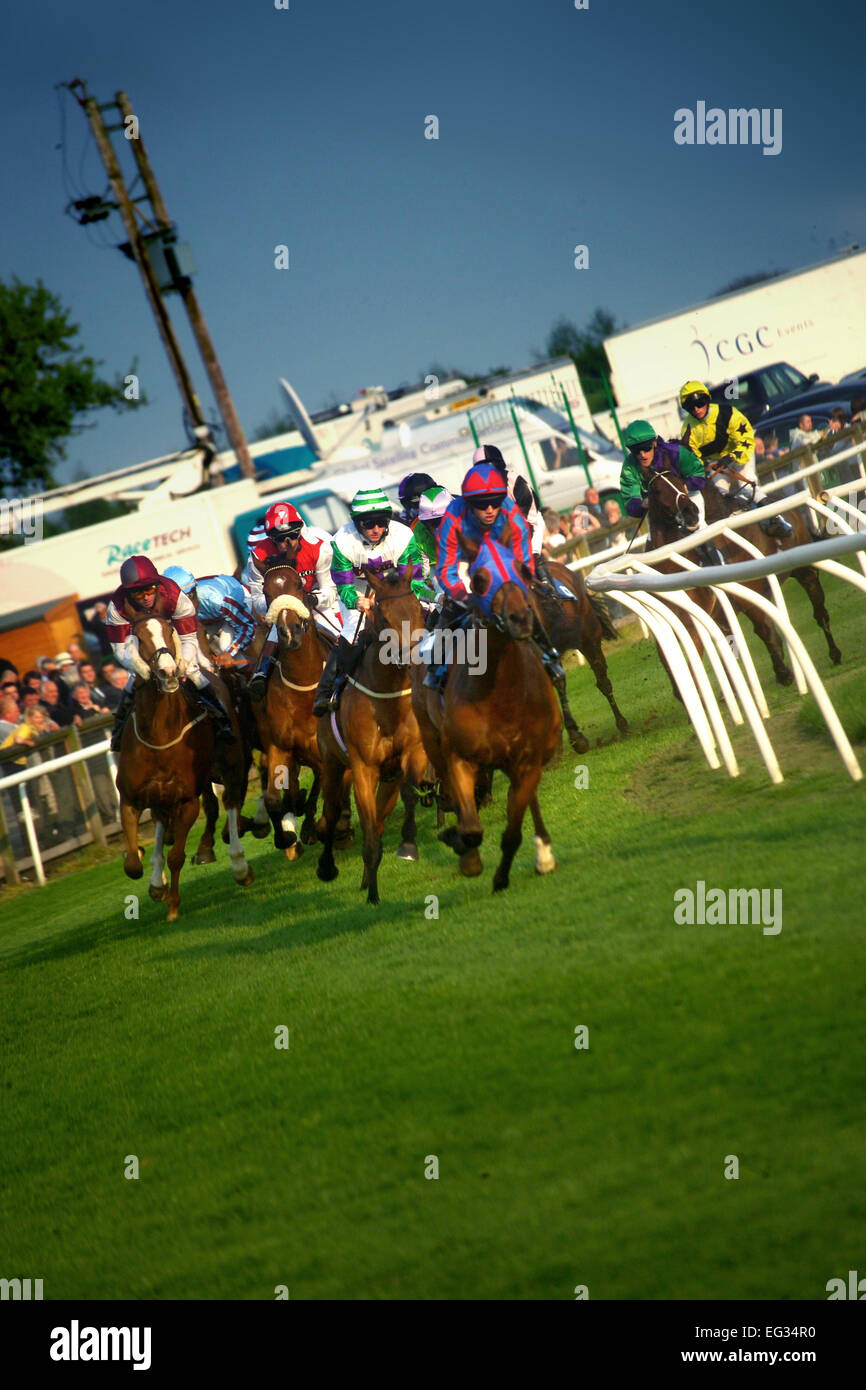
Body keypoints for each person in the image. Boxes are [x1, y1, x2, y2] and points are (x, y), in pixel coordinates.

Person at [424, 461, 563, 690]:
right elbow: (446, 570)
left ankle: (549, 654)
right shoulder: (452, 519)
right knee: (450, 614)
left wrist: (520, 584)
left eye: (493, 503)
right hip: (467, 567)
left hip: (505, 566)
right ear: (469, 503)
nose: (489, 509)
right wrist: (463, 596)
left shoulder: (509, 509)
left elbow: (523, 554)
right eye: (481, 504)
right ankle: (437, 669)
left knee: (523, 605)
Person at [312, 487, 428, 715]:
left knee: (426, 616)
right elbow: (343, 585)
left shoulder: (403, 535)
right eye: (368, 524)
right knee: (351, 633)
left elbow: (414, 579)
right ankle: (329, 690)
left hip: (397, 589)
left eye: (381, 523)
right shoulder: (342, 542)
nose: (376, 530)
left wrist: (390, 596)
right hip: (360, 590)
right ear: (357, 523)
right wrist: (357, 601)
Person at [105, 555, 235, 751]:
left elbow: (189, 638)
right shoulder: (117, 608)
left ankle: (222, 719)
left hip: (175, 637)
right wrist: (142, 667)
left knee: (193, 671)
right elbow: (120, 649)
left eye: (149, 590)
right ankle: (119, 731)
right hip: (143, 648)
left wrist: (182, 663)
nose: (146, 597)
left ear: (157, 585)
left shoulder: (173, 595)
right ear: (128, 593)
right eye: (138, 594)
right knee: (133, 679)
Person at [241, 501, 341, 700]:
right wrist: (278, 604)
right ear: (271, 538)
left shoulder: (319, 547)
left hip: (318, 603)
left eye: (293, 535)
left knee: (344, 636)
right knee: (276, 634)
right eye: (280, 539)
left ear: (300, 530)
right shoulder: (258, 557)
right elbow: (258, 601)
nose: (289, 542)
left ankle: (348, 675)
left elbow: (329, 591)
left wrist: (309, 600)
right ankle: (261, 673)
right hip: (282, 609)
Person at [679, 380, 792, 539]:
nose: (696, 409)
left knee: (746, 487)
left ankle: (779, 520)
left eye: (699, 403)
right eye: (691, 407)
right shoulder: (687, 428)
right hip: (715, 463)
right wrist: (698, 470)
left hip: (738, 455)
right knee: (721, 495)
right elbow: (692, 457)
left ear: (707, 399)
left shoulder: (728, 413)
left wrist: (731, 457)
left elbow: (745, 438)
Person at [619, 419, 720, 567]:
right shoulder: (629, 467)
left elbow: (698, 474)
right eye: (636, 451)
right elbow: (630, 501)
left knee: (699, 527)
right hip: (659, 506)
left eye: (646, 448)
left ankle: (719, 568)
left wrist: (686, 485)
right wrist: (642, 504)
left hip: (687, 498)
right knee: (651, 542)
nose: (642, 454)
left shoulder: (674, 452)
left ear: (654, 443)